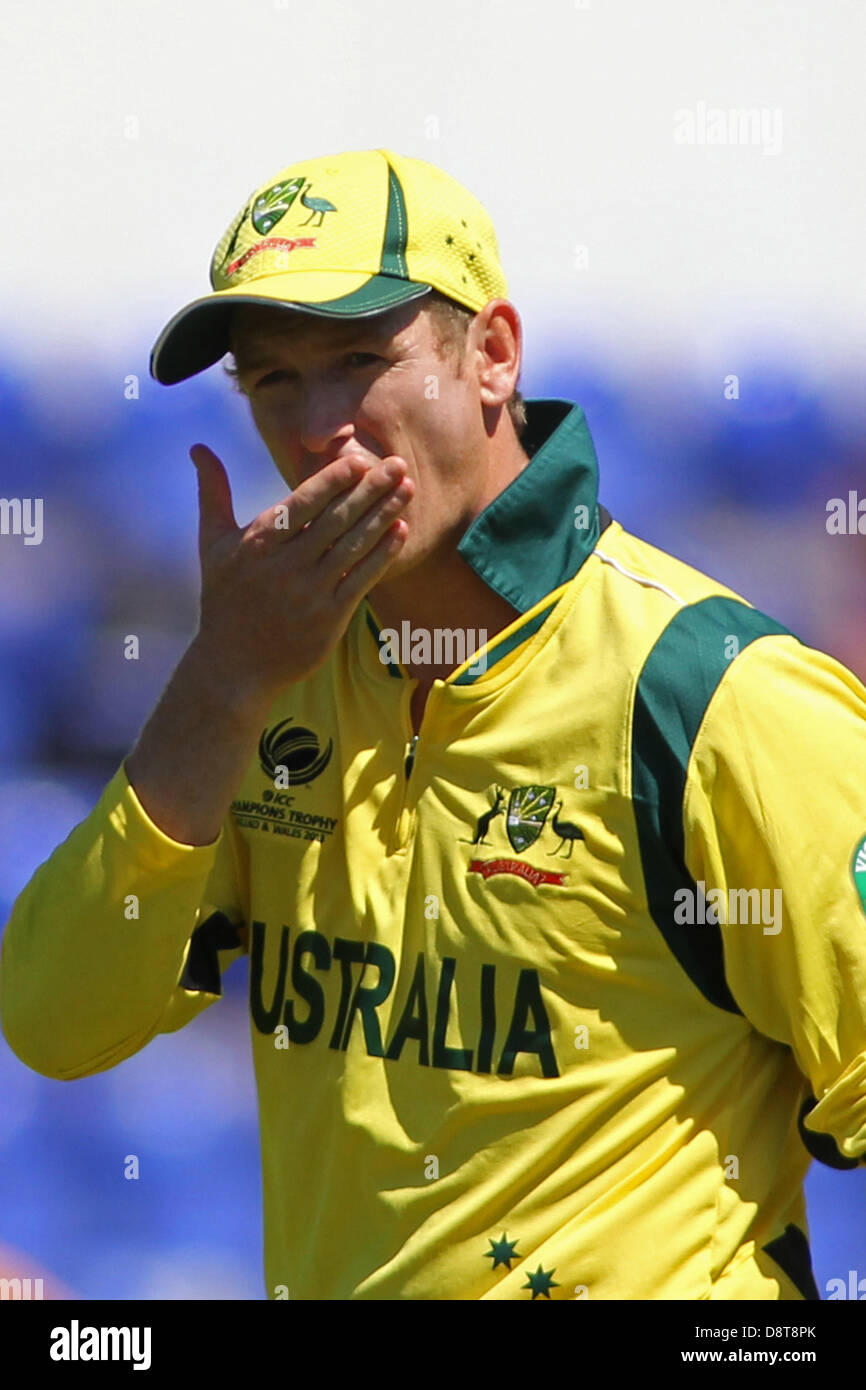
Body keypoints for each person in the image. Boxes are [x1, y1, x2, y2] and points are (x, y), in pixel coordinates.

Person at [2, 147, 865, 1302]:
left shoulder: (715, 694)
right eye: (271, 382)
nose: (319, 428)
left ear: (492, 355)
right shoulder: (256, 680)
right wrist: (216, 684)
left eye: (360, 360)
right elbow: (56, 1021)